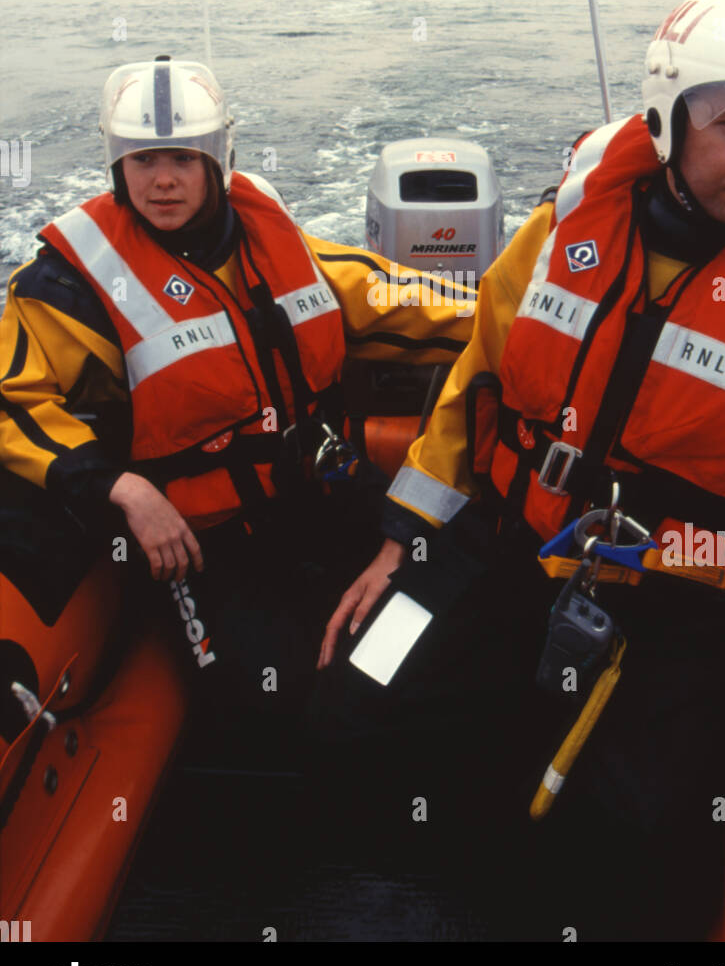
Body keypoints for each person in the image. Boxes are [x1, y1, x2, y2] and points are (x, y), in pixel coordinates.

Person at [314, 0, 725, 940]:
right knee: (358, 695)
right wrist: (403, 543)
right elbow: (480, 369)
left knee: (622, 841)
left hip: (680, 597)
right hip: (510, 539)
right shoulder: (572, 217)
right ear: (669, 121)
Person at [0, 56, 475, 729]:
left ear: (218, 161)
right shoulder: (72, 288)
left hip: (325, 493)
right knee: (276, 697)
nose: (163, 180)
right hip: (209, 545)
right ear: (116, 166)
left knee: (459, 589)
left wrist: (520, 316)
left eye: (183, 160)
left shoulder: (271, 241)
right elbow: (12, 398)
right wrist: (123, 489)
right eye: (142, 160)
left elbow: (388, 296)